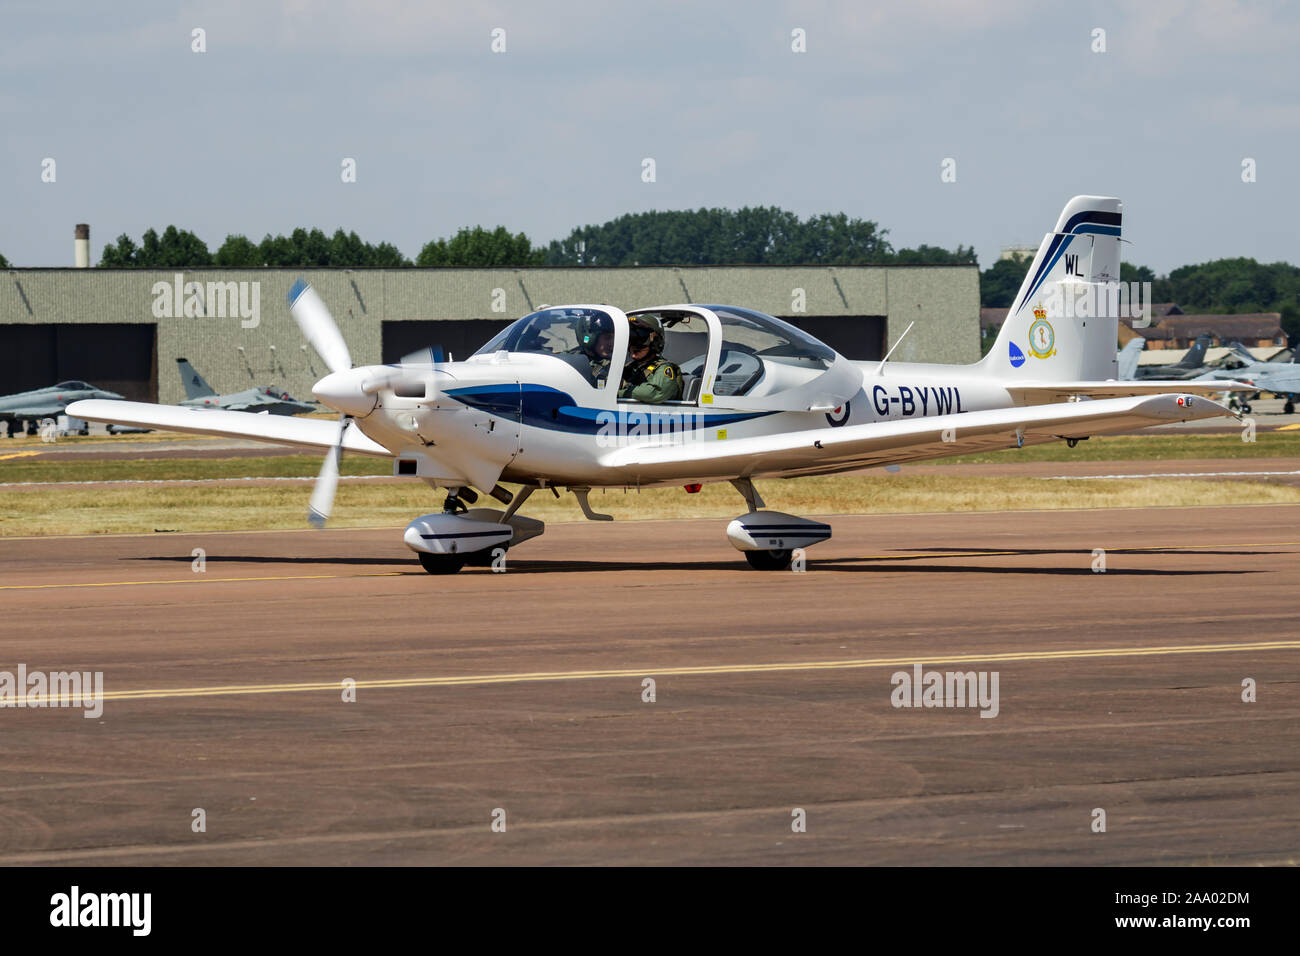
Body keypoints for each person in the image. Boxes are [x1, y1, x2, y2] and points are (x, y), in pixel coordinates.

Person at [620, 315, 681, 403]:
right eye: (630, 340)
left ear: (655, 342)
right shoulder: (630, 368)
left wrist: (619, 392)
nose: (633, 346)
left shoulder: (663, 368)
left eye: (640, 340)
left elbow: (655, 393)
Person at [567, 312, 615, 386]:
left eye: (614, 338)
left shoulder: (617, 363)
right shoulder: (569, 361)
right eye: (607, 338)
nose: (612, 343)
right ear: (589, 337)